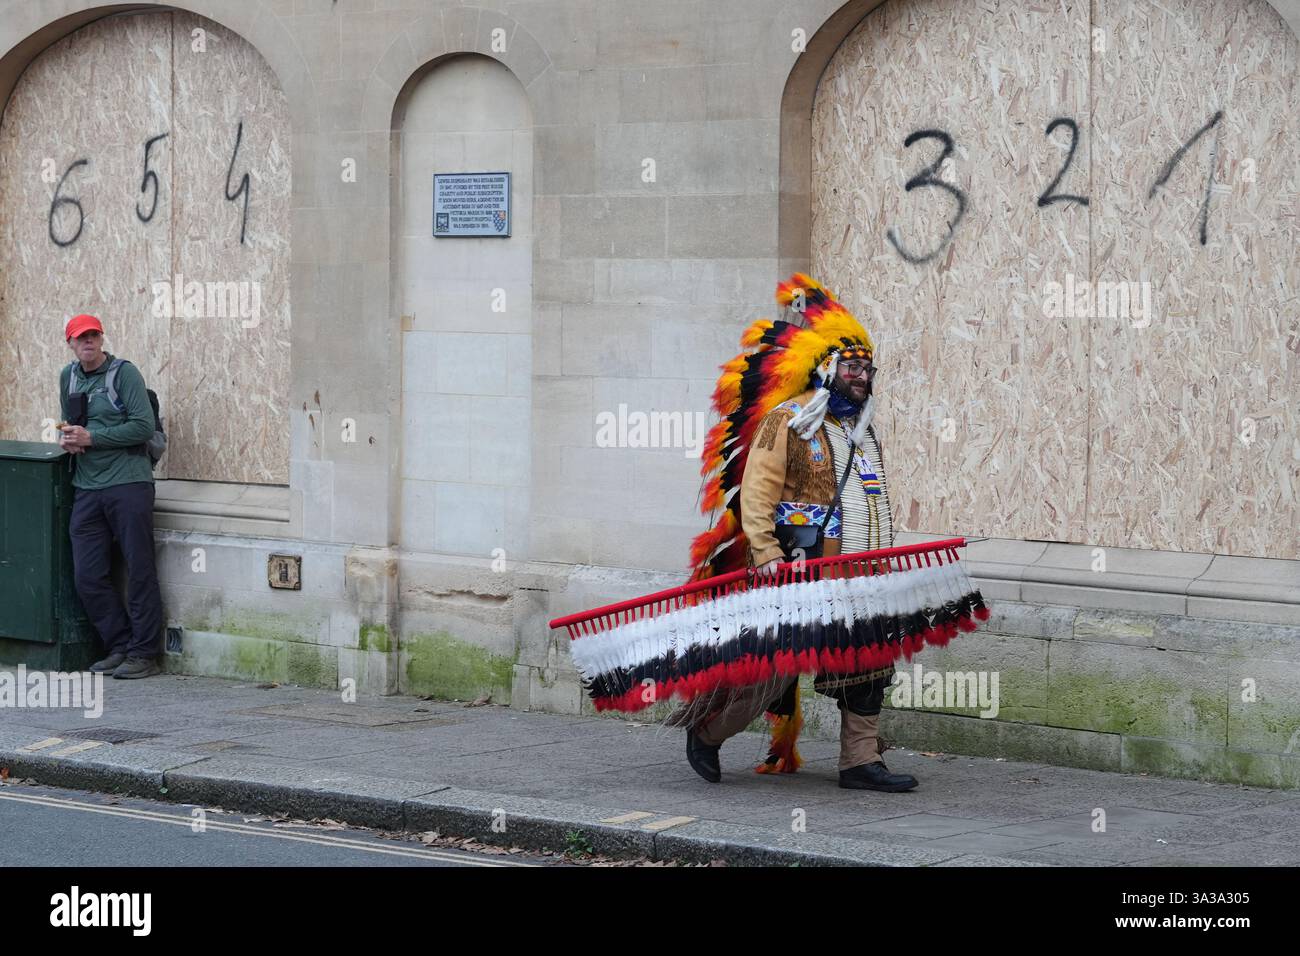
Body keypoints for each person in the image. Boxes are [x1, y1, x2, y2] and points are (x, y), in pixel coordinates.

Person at [683, 275, 918, 792]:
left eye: (866, 368)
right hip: (796, 574)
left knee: (870, 669)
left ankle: (859, 763)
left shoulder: (862, 429)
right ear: (827, 369)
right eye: (852, 367)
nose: (861, 376)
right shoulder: (786, 422)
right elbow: (757, 494)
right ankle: (707, 733)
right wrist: (765, 552)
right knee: (771, 673)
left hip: (860, 579)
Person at [58, 313, 163, 679]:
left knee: (139, 567)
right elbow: (72, 423)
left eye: (93, 336)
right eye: (80, 338)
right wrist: (70, 439)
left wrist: (94, 438)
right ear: (71, 344)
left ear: (101, 339)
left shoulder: (124, 374)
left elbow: (142, 426)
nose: (87, 342)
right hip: (87, 488)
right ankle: (119, 644)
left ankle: (144, 653)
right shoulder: (67, 377)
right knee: (87, 575)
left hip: (128, 484)